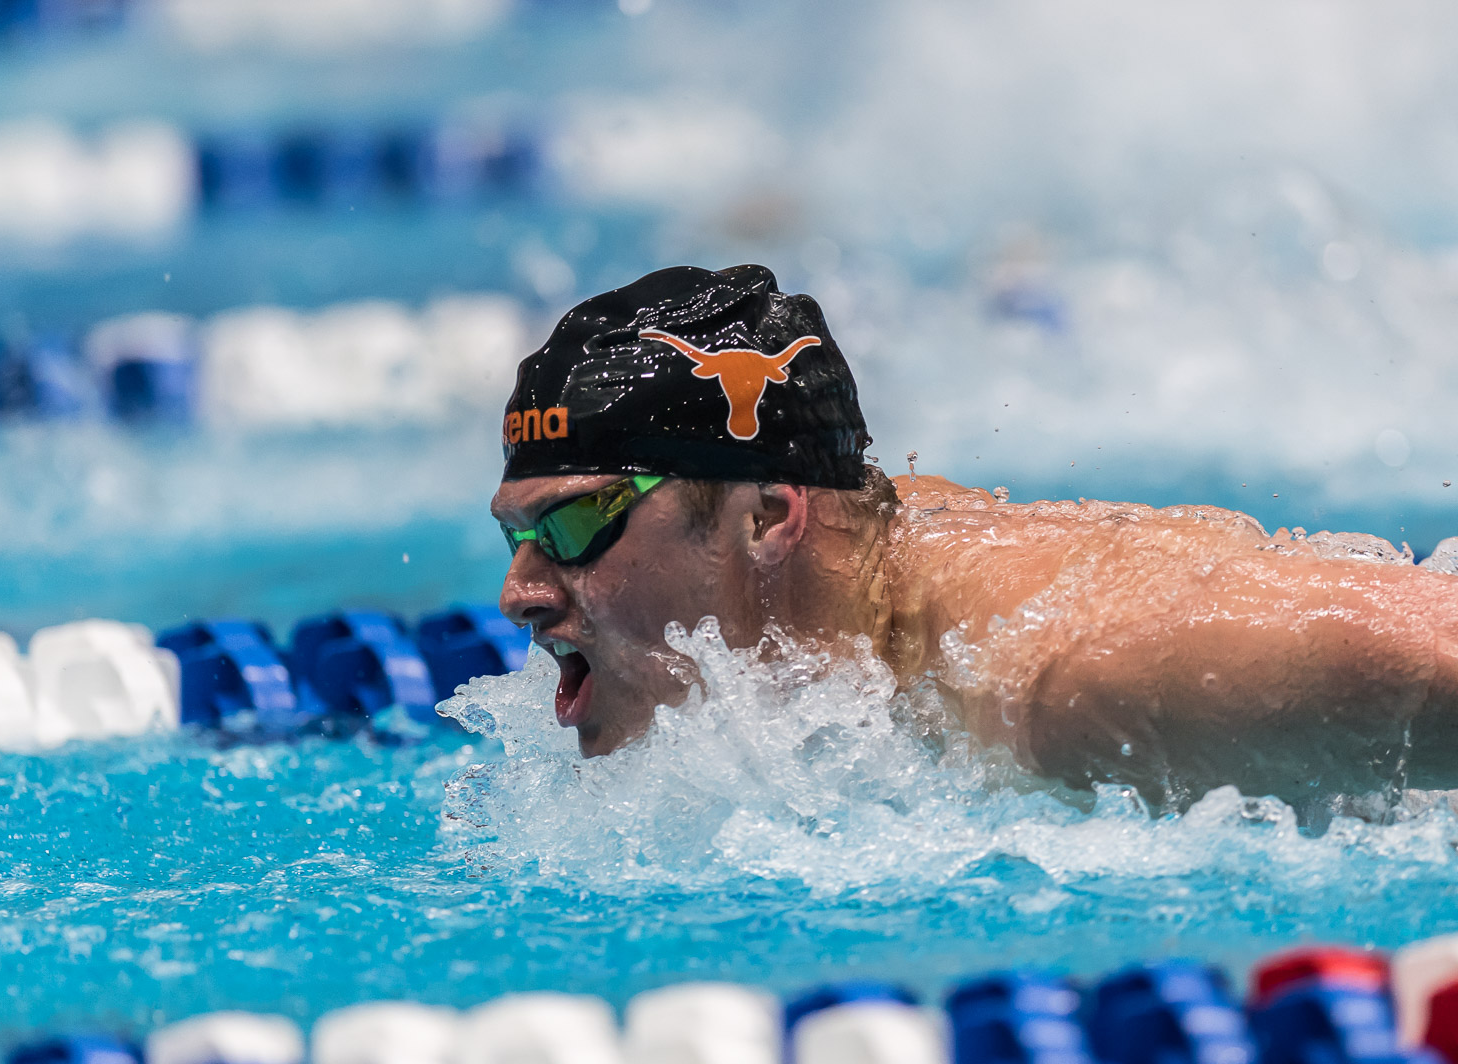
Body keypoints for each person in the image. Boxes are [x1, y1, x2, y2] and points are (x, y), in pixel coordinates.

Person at [489, 264, 1458, 806]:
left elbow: (1417, 646)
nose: (520, 590)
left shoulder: (1074, 685)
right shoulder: (851, 576)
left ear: (769, 518)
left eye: (573, 522)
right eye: (518, 535)